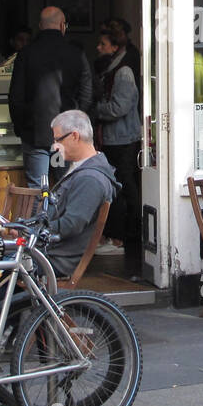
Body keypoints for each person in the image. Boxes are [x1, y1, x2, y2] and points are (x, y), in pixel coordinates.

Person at [9, 6, 93, 188]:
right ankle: (61, 217)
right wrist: (76, 122)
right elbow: (86, 94)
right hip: (65, 137)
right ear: (63, 26)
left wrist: (21, 126)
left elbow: (15, 97)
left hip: (35, 135)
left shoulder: (26, 54)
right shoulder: (76, 54)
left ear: (40, 26)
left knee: (38, 190)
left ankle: (40, 217)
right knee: (64, 186)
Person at [43, 110, 119, 280]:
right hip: (47, 254)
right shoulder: (83, 169)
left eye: (58, 140)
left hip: (53, 260)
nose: (55, 146)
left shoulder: (90, 179)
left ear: (74, 136)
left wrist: (33, 231)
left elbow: (71, 224)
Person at [93, 30, 142, 279]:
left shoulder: (122, 72)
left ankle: (121, 238)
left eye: (103, 42)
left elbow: (119, 107)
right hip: (116, 137)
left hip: (121, 138)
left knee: (122, 188)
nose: (98, 47)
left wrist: (94, 109)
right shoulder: (112, 70)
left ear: (114, 46)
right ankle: (119, 236)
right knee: (120, 186)